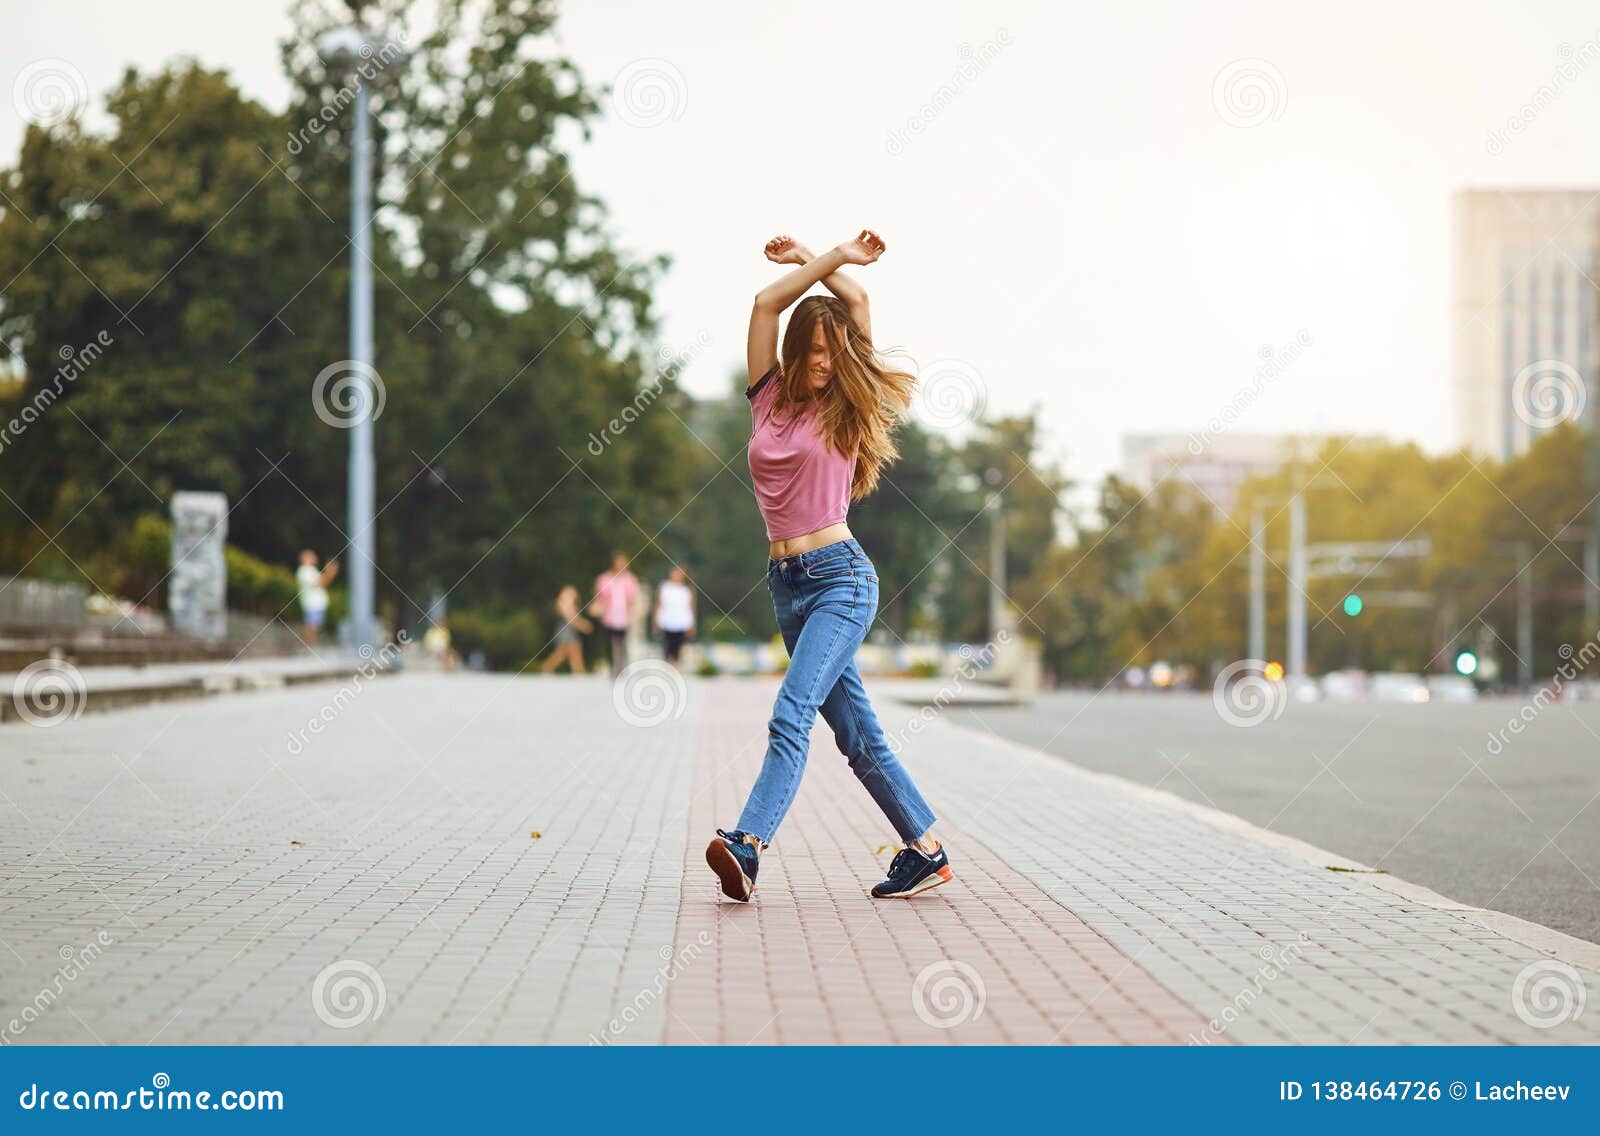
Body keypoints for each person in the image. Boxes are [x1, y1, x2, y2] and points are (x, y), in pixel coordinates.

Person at [704, 230, 950, 904]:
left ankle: (747, 846)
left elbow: (859, 300)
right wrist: (803, 265)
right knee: (857, 737)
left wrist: (832, 256)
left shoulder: (847, 404)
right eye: (810, 351)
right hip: (787, 586)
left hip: (841, 579)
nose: (819, 362)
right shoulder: (767, 396)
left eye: (829, 352)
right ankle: (925, 849)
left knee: (792, 714)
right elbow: (763, 303)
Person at [591, 553, 639, 673]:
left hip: (624, 617)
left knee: (622, 642)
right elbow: (599, 598)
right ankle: (613, 665)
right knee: (610, 642)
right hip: (608, 617)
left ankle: (621, 665)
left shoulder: (630, 579)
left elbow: (633, 599)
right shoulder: (604, 579)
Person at [540, 585, 592, 674]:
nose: (573, 596)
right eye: (570, 594)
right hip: (565, 632)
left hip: (571, 633)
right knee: (564, 653)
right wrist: (583, 625)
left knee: (571, 653)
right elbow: (572, 619)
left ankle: (578, 671)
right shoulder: (564, 606)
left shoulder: (572, 606)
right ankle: (547, 668)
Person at [654, 565, 697, 667]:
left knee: (677, 647)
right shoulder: (664, 586)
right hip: (666, 621)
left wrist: (692, 624)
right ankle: (668, 665)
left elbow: (691, 607)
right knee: (667, 646)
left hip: (681, 622)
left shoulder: (687, 589)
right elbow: (658, 604)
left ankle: (675, 665)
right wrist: (656, 621)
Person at [295, 550, 339, 646]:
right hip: (312, 604)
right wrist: (329, 571)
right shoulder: (305, 571)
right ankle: (309, 647)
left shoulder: (311, 570)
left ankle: (311, 647)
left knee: (314, 626)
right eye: (311, 556)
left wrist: (330, 573)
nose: (315, 557)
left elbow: (323, 583)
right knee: (312, 626)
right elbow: (320, 583)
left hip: (316, 605)